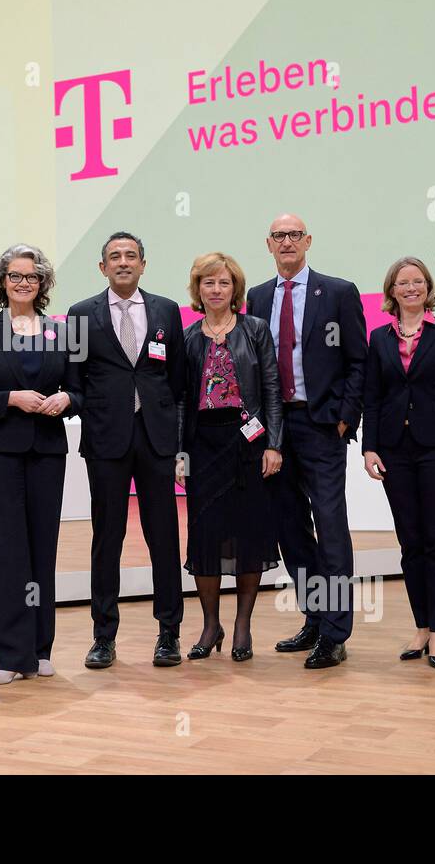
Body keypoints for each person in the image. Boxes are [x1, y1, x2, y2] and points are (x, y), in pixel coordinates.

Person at [0, 244, 77, 685]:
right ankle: (9, 655)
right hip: (0, 453)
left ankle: (40, 650)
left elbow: (81, 391)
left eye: (32, 276)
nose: (23, 283)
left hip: (47, 452)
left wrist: (67, 399)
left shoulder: (63, 332)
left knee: (43, 549)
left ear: (42, 284)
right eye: (15, 276)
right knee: (5, 552)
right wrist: (9, 399)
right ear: (2, 283)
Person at [247, 213, 366, 669]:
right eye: (279, 236)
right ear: (269, 244)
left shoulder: (338, 292)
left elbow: (358, 361)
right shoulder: (256, 297)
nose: (287, 242)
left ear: (308, 241)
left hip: (321, 427)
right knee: (290, 529)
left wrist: (343, 419)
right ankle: (314, 617)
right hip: (275, 432)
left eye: (295, 235)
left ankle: (337, 632)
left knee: (330, 527)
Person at [64, 231, 187, 668]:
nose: (123, 262)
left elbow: (178, 383)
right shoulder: (80, 315)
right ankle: (103, 637)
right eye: (114, 257)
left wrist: (178, 445)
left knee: (164, 538)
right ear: (102, 267)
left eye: (130, 255)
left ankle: (169, 633)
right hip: (105, 443)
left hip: (156, 441)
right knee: (107, 539)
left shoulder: (167, 311)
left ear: (143, 264)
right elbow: (74, 384)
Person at [362, 256, 435, 669]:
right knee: (410, 542)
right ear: (391, 291)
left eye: (418, 281)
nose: (411, 287)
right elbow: (371, 397)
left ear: (428, 288)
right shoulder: (379, 339)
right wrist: (369, 447)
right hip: (394, 451)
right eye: (402, 282)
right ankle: (421, 627)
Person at [175, 253, 282, 662]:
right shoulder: (187, 338)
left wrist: (274, 444)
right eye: (208, 283)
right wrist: (179, 454)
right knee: (205, 536)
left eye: (223, 283)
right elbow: (182, 400)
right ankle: (210, 624)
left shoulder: (255, 330)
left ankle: (241, 626)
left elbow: (271, 389)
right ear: (197, 290)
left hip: (248, 445)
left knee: (249, 533)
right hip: (204, 446)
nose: (215, 290)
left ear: (234, 288)